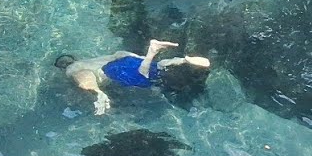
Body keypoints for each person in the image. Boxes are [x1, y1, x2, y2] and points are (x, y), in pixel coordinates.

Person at [60, 39, 210, 115]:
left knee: (144, 75)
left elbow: (83, 76)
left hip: (117, 69)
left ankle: (153, 51)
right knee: (157, 66)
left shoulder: (73, 68)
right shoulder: (90, 61)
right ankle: (183, 60)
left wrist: (98, 92)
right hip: (125, 57)